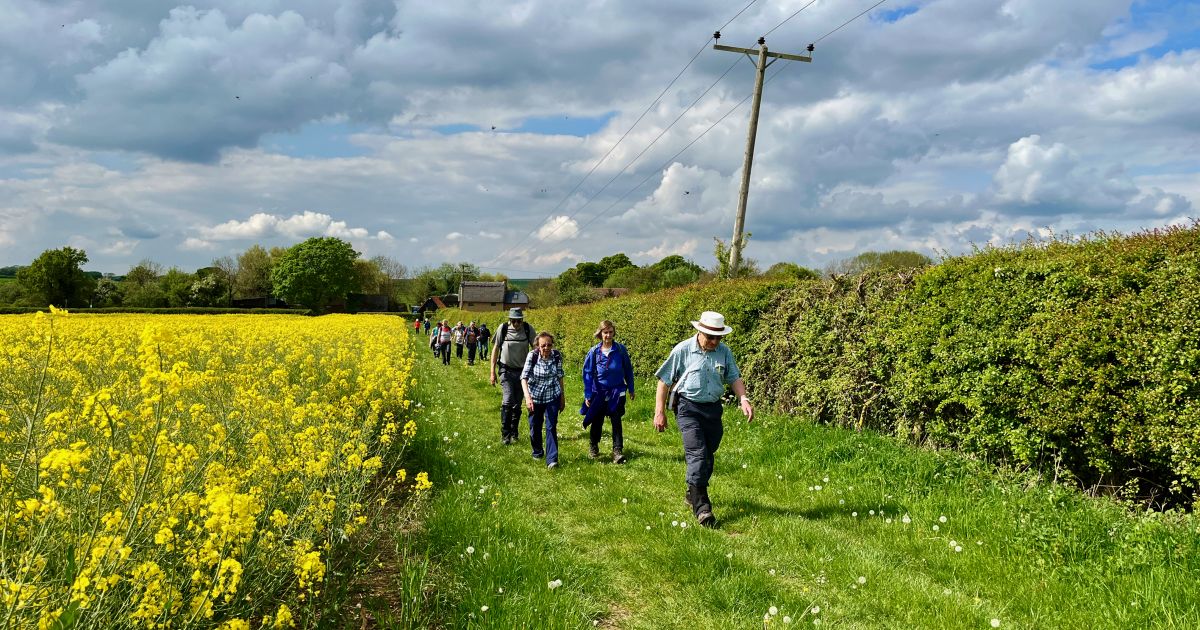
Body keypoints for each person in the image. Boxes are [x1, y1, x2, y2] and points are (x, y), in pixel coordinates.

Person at [653, 311, 753, 527]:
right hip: (688, 408)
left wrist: (743, 399)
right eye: (710, 337)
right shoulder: (682, 350)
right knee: (697, 453)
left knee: (708, 454)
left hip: (713, 410)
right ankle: (703, 508)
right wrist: (659, 411)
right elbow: (664, 380)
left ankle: (692, 491)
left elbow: (734, 377)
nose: (715, 342)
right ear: (700, 331)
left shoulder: (724, 352)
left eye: (719, 338)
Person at [582, 320, 635, 463]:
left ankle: (617, 451)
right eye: (605, 332)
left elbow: (628, 370)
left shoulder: (620, 350)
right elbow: (587, 373)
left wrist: (631, 388)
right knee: (597, 420)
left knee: (616, 420)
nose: (608, 335)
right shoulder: (594, 352)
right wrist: (588, 394)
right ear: (600, 334)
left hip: (617, 391)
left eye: (611, 332)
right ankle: (593, 446)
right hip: (599, 392)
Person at [490, 308, 536, 444]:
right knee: (508, 400)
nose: (516, 324)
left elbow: (536, 349)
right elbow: (496, 349)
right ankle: (505, 435)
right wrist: (492, 371)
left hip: (523, 373)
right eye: (513, 321)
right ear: (509, 320)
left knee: (517, 404)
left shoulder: (528, 329)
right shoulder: (503, 329)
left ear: (522, 320)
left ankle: (514, 431)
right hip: (506, 371)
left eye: (519, 321)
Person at [521, 332, 565, 469]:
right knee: (535, 426)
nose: (546, 348)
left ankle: (552, 459)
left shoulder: (556, 356)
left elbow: (560, 376)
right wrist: (527, 397)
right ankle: (538, 451)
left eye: (549, 345)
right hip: (535, 398)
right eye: (543, 345)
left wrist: (562, 397)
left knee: (551, 426)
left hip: (552, 396)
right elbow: (524, 377)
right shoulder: (532, 356)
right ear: (537, 346)